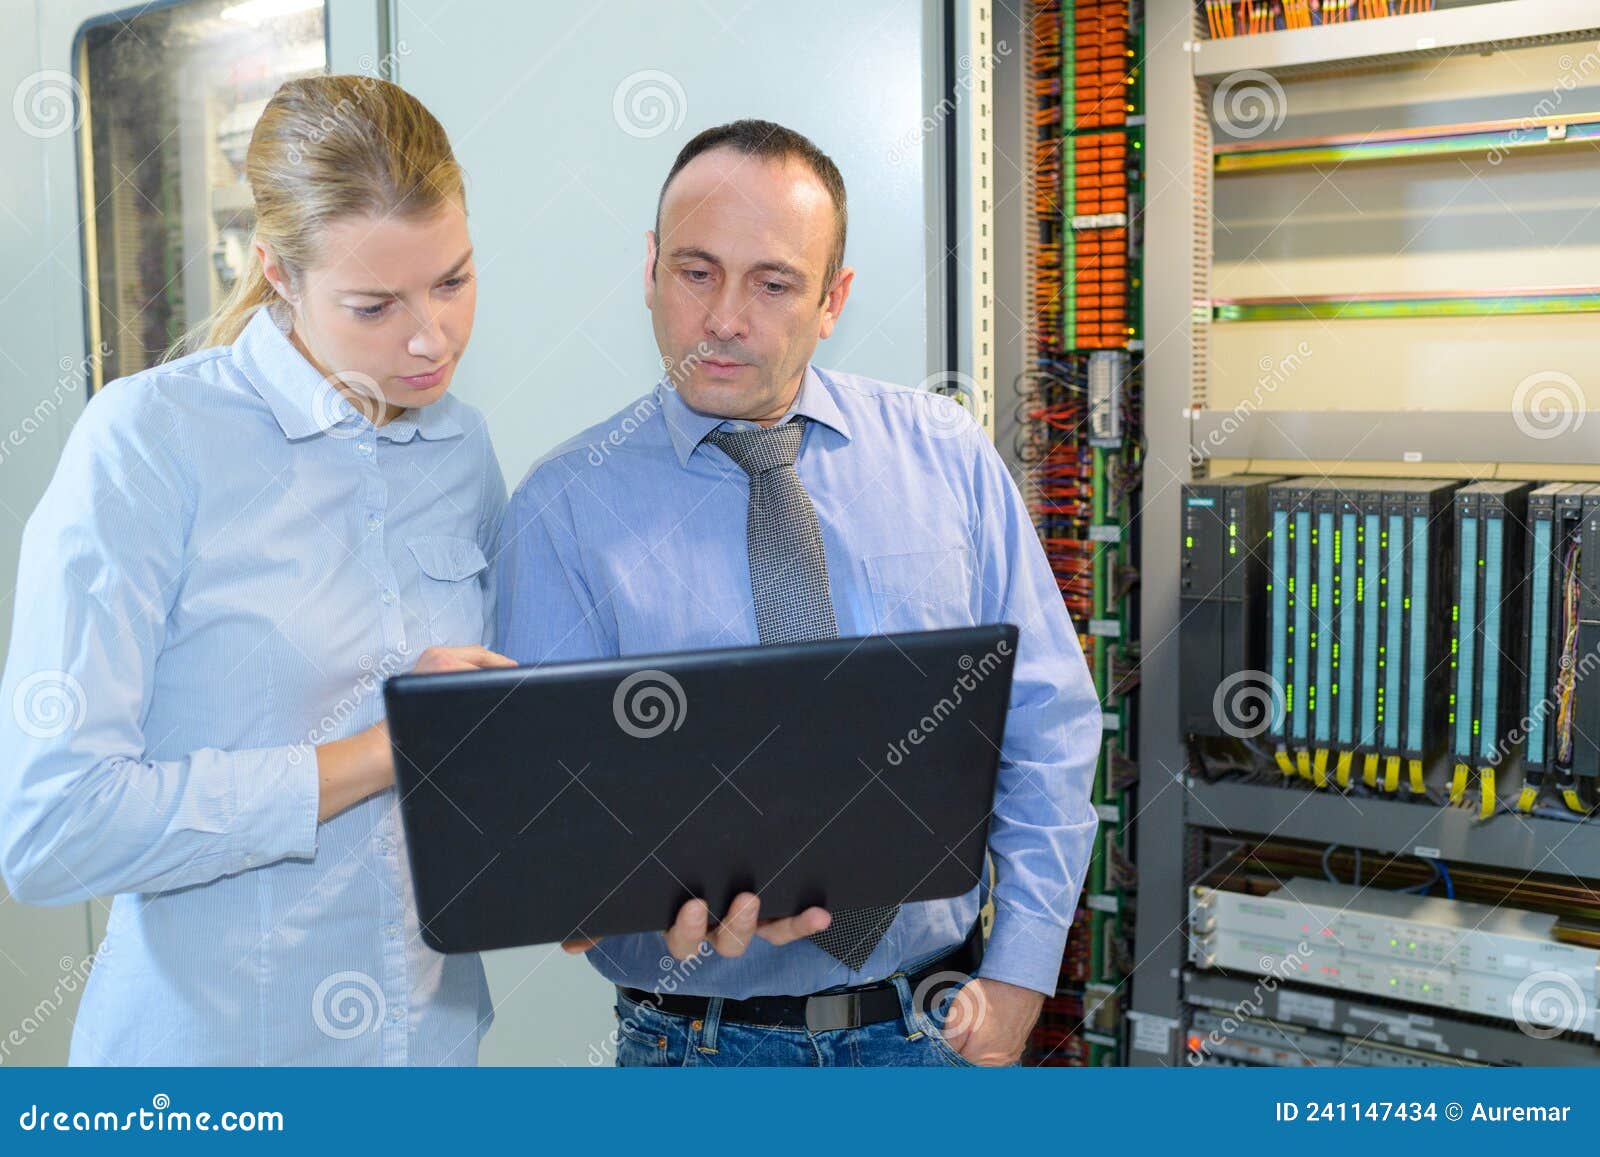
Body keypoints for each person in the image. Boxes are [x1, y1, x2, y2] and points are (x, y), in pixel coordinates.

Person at [496, 119, 1100, 1067]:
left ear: (832, 300)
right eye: (696, 272)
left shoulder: (945, 457)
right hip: (694, 1049)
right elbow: (544, 821)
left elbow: (1048, 725)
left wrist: (1022, 975)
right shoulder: (561, 509)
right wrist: (623, 903)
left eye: (773, 283)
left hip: (937, 1025)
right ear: (651, 268)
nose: (726, 318)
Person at [0, 76, 514, 1065]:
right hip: (218, 1060)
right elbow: (53, 829)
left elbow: (495, 731)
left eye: (452, 280)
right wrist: (379, 749)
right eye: (374, 303)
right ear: (277, 272)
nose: (430, 338)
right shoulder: (151, 442)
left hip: (430, 1046)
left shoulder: (460, 449)